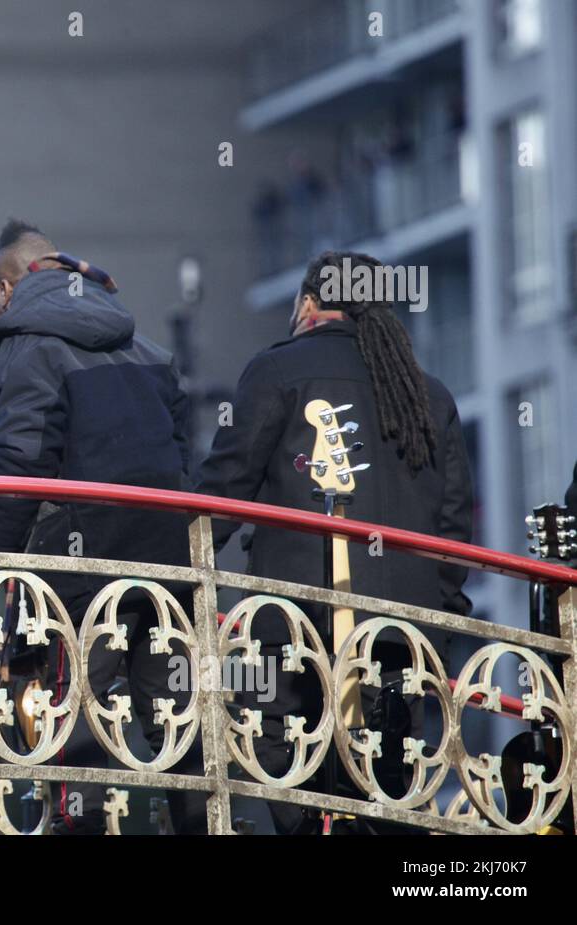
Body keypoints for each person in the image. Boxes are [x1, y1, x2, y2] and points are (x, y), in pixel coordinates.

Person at [196, 250, 475, 834]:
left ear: (307, 304)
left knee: (285, 773)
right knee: (389, 792)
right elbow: (453, 531)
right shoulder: (431, 395)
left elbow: (222, 491)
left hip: (292, 630)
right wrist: (440, 625)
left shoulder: (277, 371)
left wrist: (177, 583)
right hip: (403, 637)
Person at [0, 219, 203, 834]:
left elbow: (21, 464)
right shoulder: (146, 347)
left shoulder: (27, 347)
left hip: (76, 568)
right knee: (180, 724)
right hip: (167, 561)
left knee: (70, 722)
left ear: (8, 288)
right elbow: (183, 457)